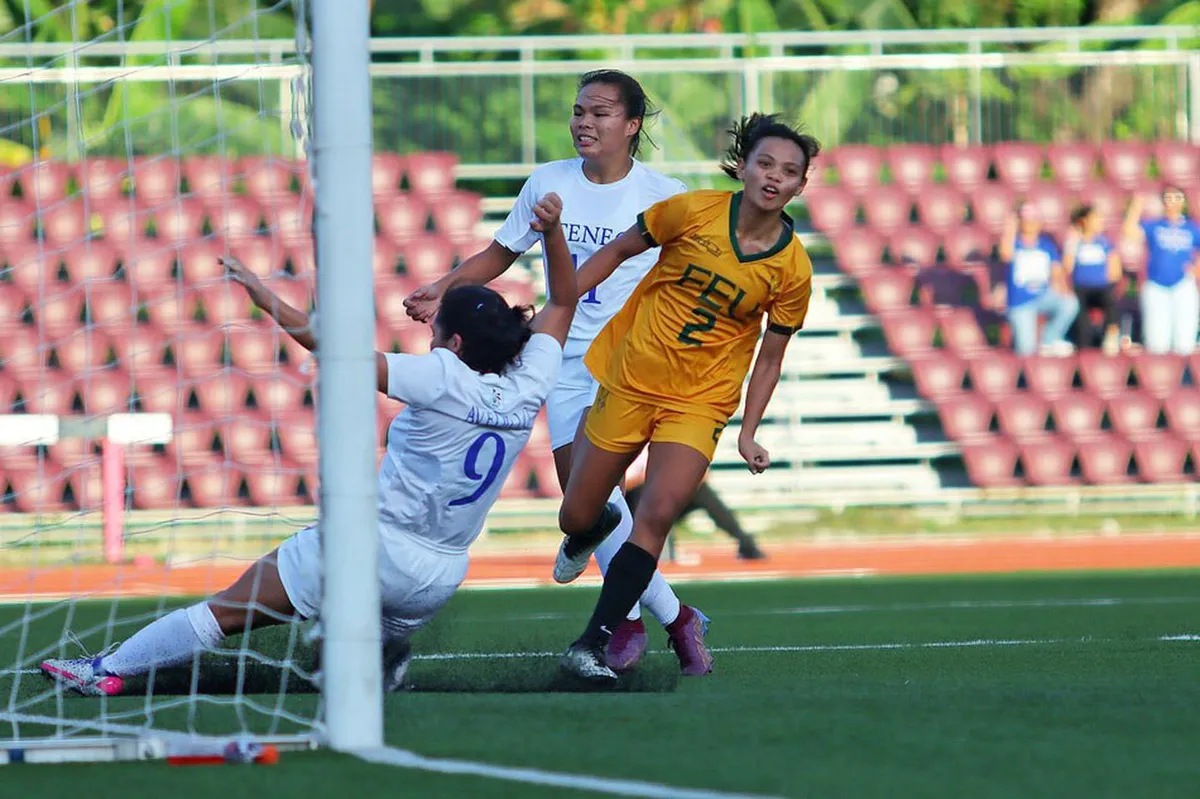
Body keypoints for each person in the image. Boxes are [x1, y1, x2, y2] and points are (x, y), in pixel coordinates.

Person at [40, 192, 577, 697]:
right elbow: (565, 297)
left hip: (372, 547)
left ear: (454, 344)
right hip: (439, 577)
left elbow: (336, 350)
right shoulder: (530, 382)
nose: (430, 337)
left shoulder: (441, 375)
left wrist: (264, 297)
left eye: (436, 332)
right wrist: (552, 233)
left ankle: (105, 672)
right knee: (357, 645)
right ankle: (379, 658)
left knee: (224, 612)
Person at [403, 70, 710, 676]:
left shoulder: (665, 195)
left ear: (632, 124)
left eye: (600, 113)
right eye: (578, 111)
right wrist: (442, 287)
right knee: (588, 506)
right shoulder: (548, 181)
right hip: (565, 358)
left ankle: (624, 623)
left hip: (634, 360)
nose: (584, 122)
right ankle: (677, 618)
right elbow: (501, 253)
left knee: (600, 501)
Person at [552, 113, 818, 681]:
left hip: (700, 402)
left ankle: (595, 641)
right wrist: (562, 301)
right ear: (742, 166)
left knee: (656, 513)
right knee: (576, 515)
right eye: (765, 163)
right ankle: (670, 607)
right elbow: (618, 250)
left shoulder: (794, 269)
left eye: (789, 171)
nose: (774, 176)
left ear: (800, 184)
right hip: (630, 379)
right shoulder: (691, 211)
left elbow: (771, 356)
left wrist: (748, 431)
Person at [624, 449, 766, 560]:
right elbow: (620, 485)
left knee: (699, 489)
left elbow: (702, 474)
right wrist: (650, 477)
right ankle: (640, 547)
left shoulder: (666, 442)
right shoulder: (629, 446)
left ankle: (745, 542)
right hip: (633, 504)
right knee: (645, 490)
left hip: (665, 497)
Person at [1122, 185, 1200, 355]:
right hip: (1156, 285)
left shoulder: (1191, 228)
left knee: (1184, 342)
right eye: (1168, 198)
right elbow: (1129, 232)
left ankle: (1185, 372)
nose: (1172, 202)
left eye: (1177, 198)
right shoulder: (1154, 226)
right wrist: (1136, 207)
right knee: (1157, 343)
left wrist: (1196, 268)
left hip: (1183, 285)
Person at [993, 202, 1079, 357]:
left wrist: (1062, 287)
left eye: (1033, 220)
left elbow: (1057, 272)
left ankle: (1049, 340)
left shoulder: (1046, 246)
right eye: (1026, 221)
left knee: (1070, 303)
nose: (1030, 224)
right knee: (1026, 351)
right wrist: (1010, 229)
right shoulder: (1015, 244)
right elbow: (1005, 254)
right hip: (1020, 303)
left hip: (1042, 295)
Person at [1063, 204, 1122, 354]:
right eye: (1095, 218)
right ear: (1084, 221)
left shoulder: (1104, 242)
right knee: (1080, 313)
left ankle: (1111, 338)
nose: (1099, 221)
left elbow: (1115, 269)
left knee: (1111, 301)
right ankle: (1084, 350)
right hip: (1080, 288)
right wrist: (1072, 242)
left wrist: (1108, 278)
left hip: (1101, 287)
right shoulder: (1075, 243)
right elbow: (1067, 267)